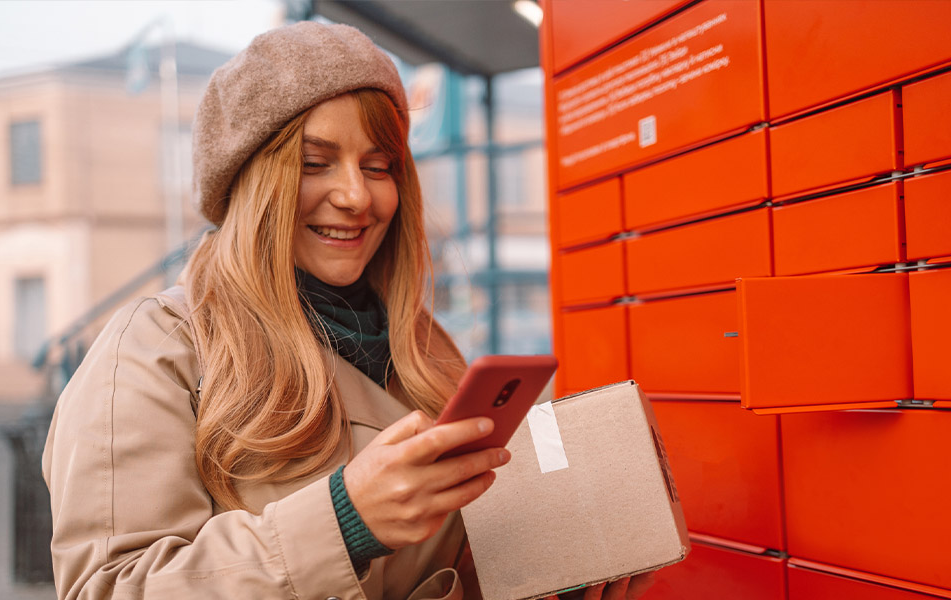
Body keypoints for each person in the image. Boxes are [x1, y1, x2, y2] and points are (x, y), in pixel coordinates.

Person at [43, 21, 650, 600]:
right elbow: (112, 586)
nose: (356, 196)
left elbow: (455, 560)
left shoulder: (424, 349)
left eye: (378, 165)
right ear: (249, 182)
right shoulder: (152, 349)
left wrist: (558, 572)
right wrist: (344, 520)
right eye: (314, 163)